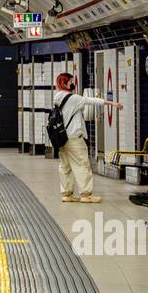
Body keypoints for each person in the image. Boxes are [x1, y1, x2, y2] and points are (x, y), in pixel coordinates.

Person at [51, 73, 121, 204]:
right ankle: (86, 194)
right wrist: (112, 103)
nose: (73, 83)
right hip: (74, 137)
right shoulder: (73, 98)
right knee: (82, 165)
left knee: (65, 166)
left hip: (61, 137)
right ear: (65, 83)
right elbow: (91, 100)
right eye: (71, 81)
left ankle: (67, 193)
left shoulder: (57, 97)